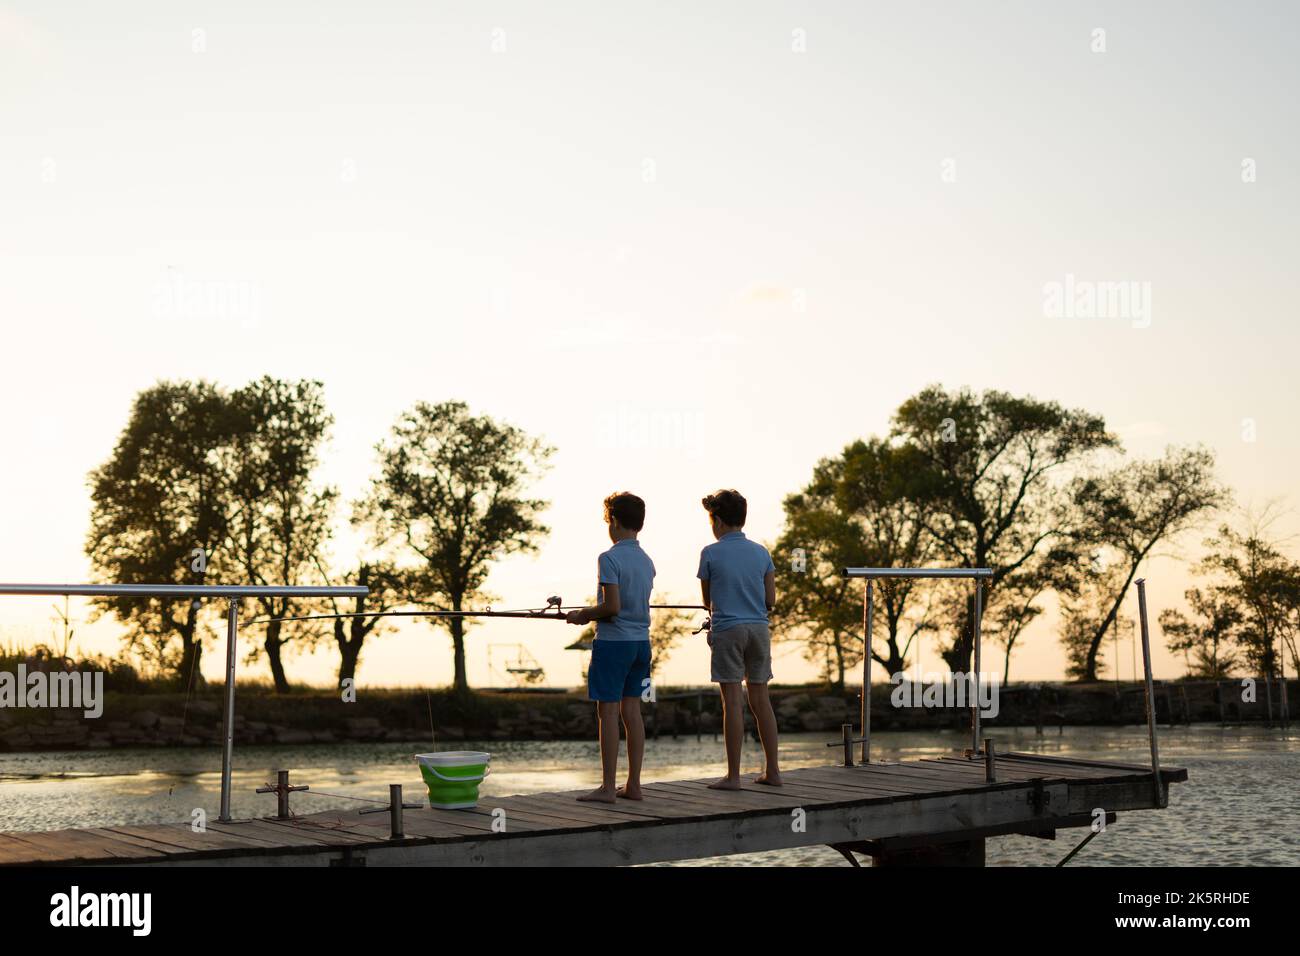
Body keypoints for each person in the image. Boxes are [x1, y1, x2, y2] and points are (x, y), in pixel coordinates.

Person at [566, 492, 655, 802]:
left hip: (614, 645)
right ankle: (634, 785)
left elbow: (612, 606)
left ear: (614, 521)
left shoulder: (609, 557)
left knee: (608, 713)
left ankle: (606, 787)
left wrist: (582, 615)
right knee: (633, 712)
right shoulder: (647, 561)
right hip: (642, 645)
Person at [697, 489, 781, 788]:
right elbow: (770, 599)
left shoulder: (710, 552)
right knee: (761, 700)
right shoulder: (761, 552)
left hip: (728, 630)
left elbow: (708, 601)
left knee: (732, 702)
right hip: (758, 629)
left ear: (717, 520)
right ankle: (773, 772)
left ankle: (733, 776)